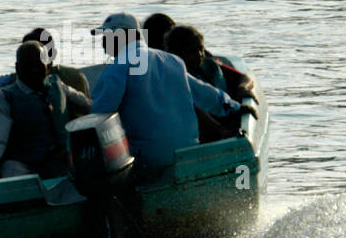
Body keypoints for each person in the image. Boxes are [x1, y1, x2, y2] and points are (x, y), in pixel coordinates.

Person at [88, 13, 255, 170]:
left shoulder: (116, 69)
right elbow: (204, 93)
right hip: (187, 152)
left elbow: (100, 117)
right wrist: (235, 107)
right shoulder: (172, 60)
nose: (103, 42)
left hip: (148, 159)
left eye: (106, 36)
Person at [0, 41, 91, 181]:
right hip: (20, 163)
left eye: (38, 66)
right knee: (12, 176)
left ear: (48, 67)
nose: (33, 71)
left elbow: (89, 106)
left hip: (59, 161)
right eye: (27, 66)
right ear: (17, 68)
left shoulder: (58, 86)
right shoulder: (3, 98)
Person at [0, 28, 90, 126]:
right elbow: (90, 115)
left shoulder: (7, 86)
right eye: (29, 62)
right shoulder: (74, 77)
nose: (34, 70)